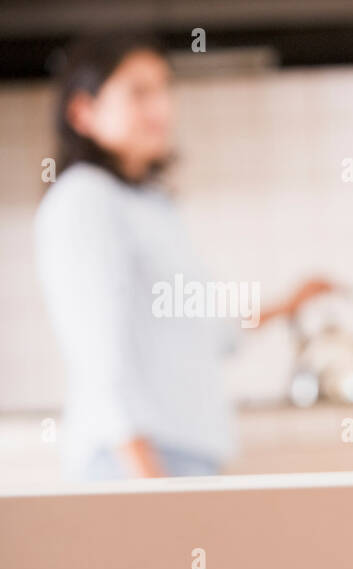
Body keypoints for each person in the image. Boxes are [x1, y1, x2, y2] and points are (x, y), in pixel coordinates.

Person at [34, 34, 332, 480]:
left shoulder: (151, 207)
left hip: (186, 457)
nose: (161, 109)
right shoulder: (84, 200)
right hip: (134, 462)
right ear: (83, 112)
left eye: (163, 89)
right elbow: (99, 356)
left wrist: (286, 304)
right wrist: (150, 480)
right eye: (138, 92)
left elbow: (209, 329)